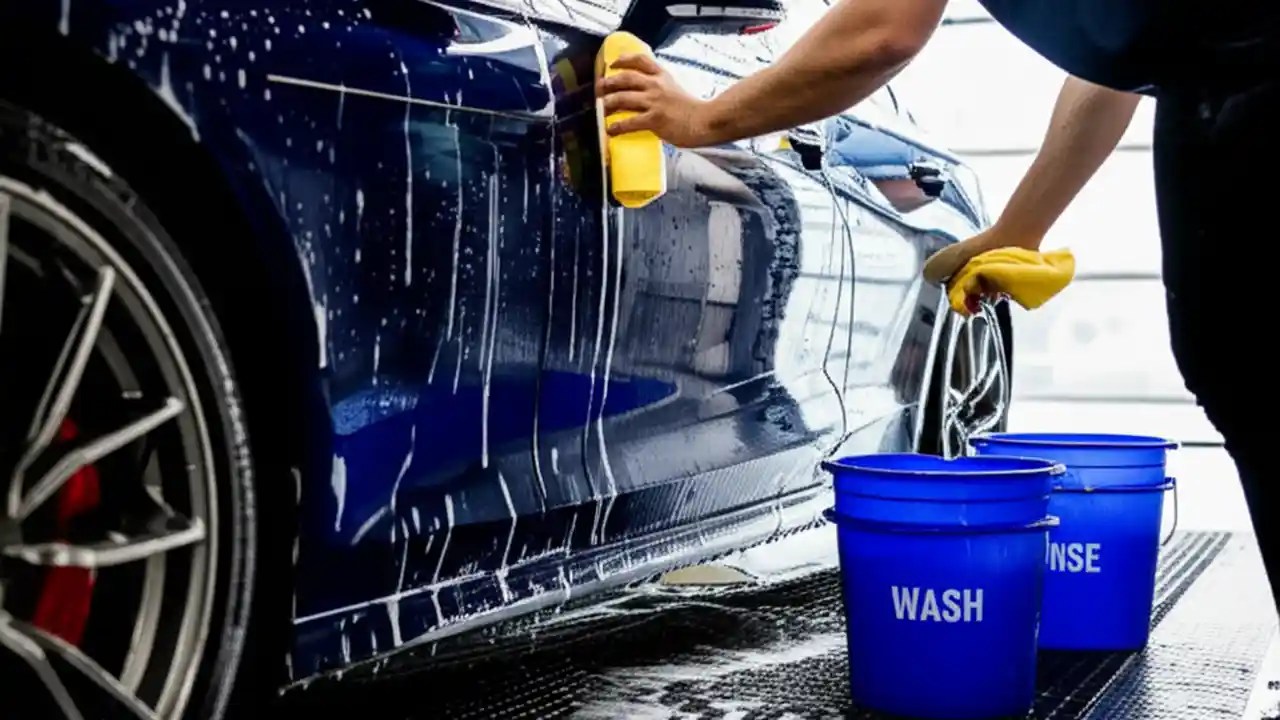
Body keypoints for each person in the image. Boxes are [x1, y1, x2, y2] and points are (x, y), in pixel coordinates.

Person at [597, 0, 1280, 612]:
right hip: (1219, 82)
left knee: (1256, 378)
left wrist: (702, 118)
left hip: (1253, 83)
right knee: (1242, 378)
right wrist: (1020, 229)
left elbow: (883, 30)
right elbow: (1125, 53)